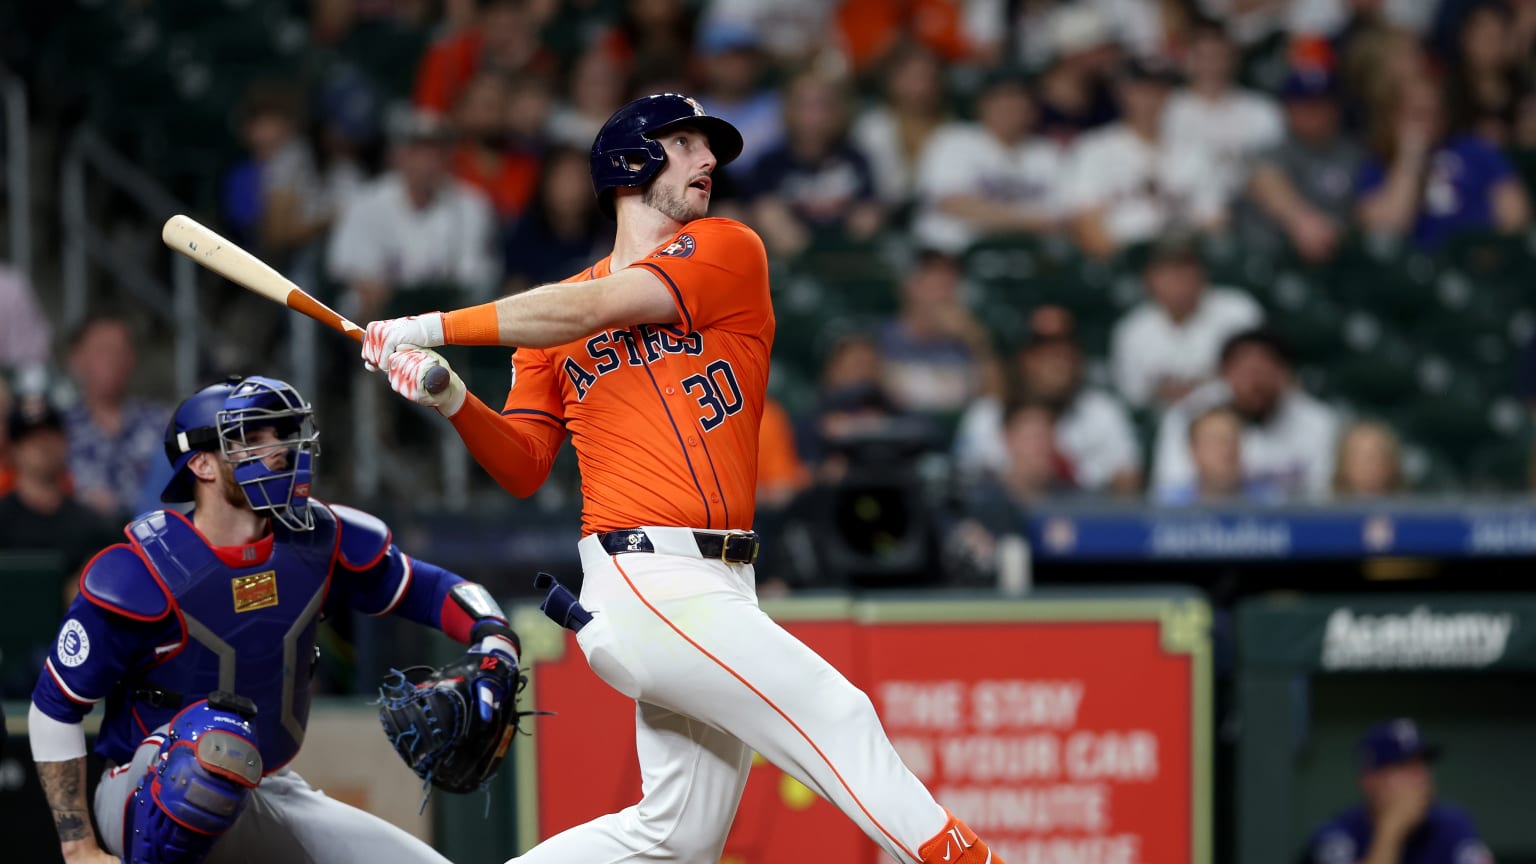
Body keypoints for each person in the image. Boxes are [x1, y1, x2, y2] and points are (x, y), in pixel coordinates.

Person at [360, 93, 1004, 864]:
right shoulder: (550, 325)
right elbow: (525, 464)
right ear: (630, 161)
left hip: (723, 582)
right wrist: (454, 399)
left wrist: (428, 328)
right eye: (688, 143)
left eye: (711, 148)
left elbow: (596, 305)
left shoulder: (729, 250)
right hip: (646, 576)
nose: (708, 162)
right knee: (840, 713)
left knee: (675, 836)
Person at [27, 374, 522, 864]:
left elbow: (432, 588)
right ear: (200, 462)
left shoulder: (316, 540)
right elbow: (53, 709)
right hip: (141, 792)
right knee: (211, 747)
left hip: (263, 782)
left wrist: (496, 637)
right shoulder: (141, 569)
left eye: (282, 433)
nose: (280, 449)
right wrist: (79, 849)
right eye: (251, 438)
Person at [952, 305, 1142, 494]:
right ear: (1025, 358)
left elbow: (1128, 483)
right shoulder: (987, 414)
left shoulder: (1102, 410)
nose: (1057, 363)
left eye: (1064, 352)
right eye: (1045, 353)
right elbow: (967, 482)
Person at [1151, 328, 1340, 501]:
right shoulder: (1188, 414)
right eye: (1247, 371)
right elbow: (1170, 492)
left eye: (1264, 371)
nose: (1255, 382)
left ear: (1284, 374)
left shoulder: (1317, 421)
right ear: (1224, 373)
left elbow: (1321, 498)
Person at [1110, 234, 1264, 411]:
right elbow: (1134, 402)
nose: (1178, 277)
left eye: (1185, 266)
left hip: (1235, 418)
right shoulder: (1131, 331)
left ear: (1203, 272)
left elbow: (1258, 379)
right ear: (1147, 280)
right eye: (1166, 269)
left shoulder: (1238, 310)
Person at [1308, 718, 1493, 864]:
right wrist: (1390, 832)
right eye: (1405, 766)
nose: (1421, 776)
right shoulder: (1338, 836)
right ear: (1370, 781)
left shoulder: (1452, 826)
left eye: (1423, 764)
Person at [64, 315, 172, 522]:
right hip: (80, 542)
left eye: (119, 351)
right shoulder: (59, 430)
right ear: (76, 359)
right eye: (101, 351)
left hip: (153, 540)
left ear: (132, 359)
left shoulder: (161, 422)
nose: (111, 359)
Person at [0, 397, 118, 580]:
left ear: (65, 442)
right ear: (13, 450)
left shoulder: (92, 526)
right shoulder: (3, 520)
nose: (43, 444)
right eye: (30, 437)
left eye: (51, 433)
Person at [1154, 404, 1283, 505]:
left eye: (1232, 440)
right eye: (1215, 441)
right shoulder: (1168, 506)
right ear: (1193, 451)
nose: (1227, 450)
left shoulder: (1270, 502)